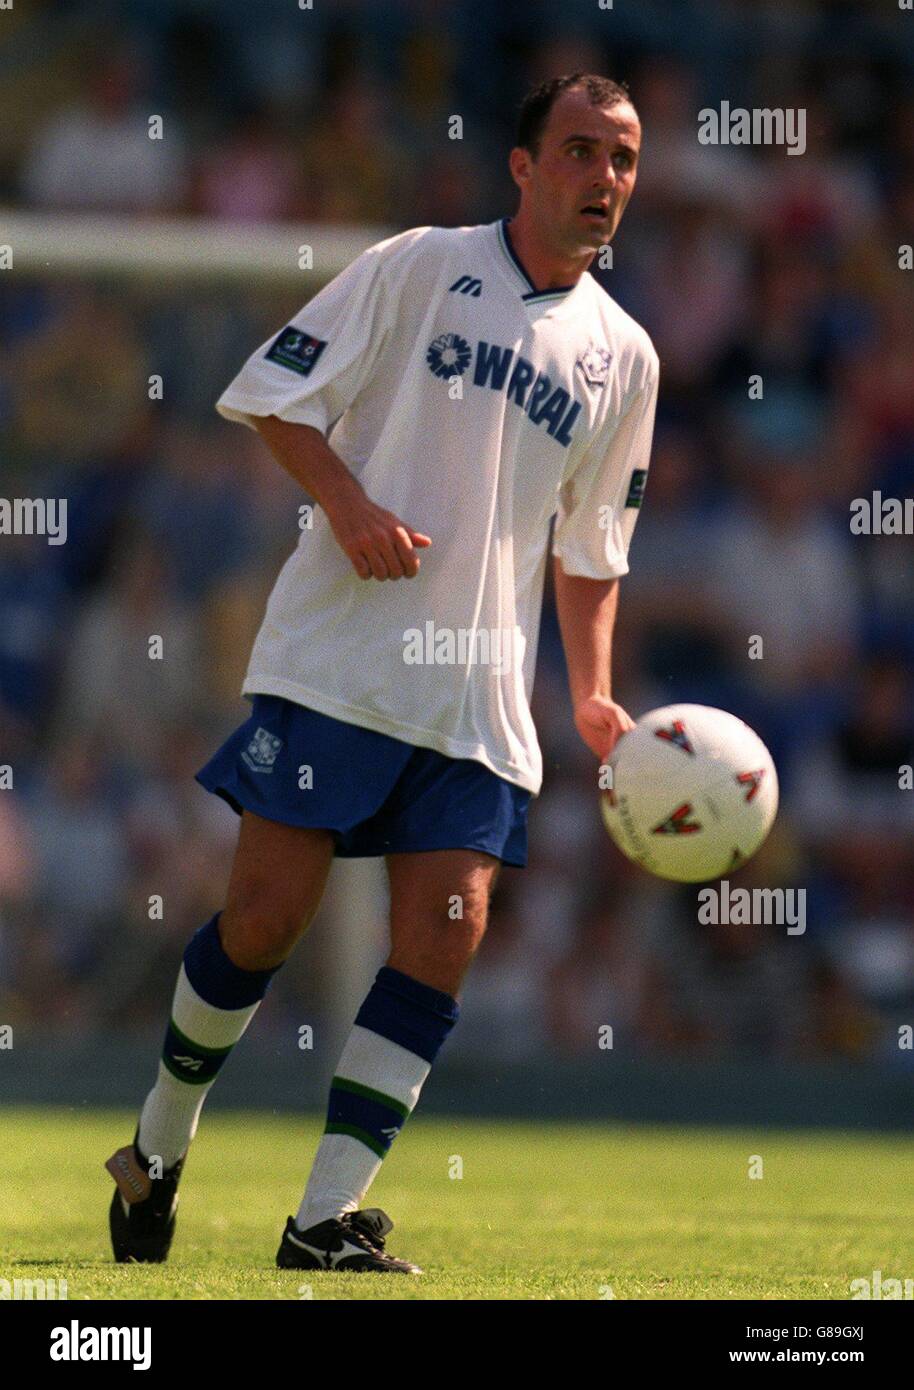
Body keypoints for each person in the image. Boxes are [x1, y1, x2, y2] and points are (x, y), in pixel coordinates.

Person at [105, 72, 659, 1274]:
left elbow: (592, 547)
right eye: (578, 152)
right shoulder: (418, 264)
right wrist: (349, 503)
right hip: (341, 664)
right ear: (521, 167)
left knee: (447, 934)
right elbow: (271, 394)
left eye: (619, 159)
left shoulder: (626, 357)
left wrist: (590, 691)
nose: (602, 179)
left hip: (475, 698)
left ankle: (323, 1218)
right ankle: (154, 1148)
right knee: (260, 923)